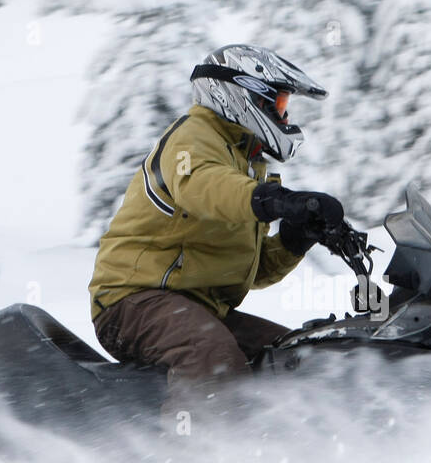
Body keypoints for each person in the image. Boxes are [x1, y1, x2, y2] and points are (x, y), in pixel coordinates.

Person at [89, 44, 344, 423]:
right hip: (131, 302)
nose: (284, 115)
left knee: (295, 357)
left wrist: (296, 237)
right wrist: (272, 200)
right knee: (212, 356)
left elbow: (247, 272)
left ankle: (296, 452)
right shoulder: (194, 138)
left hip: (199, 307)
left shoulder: (245, 162)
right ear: (243, 96)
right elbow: (203, 186)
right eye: (278, 103)